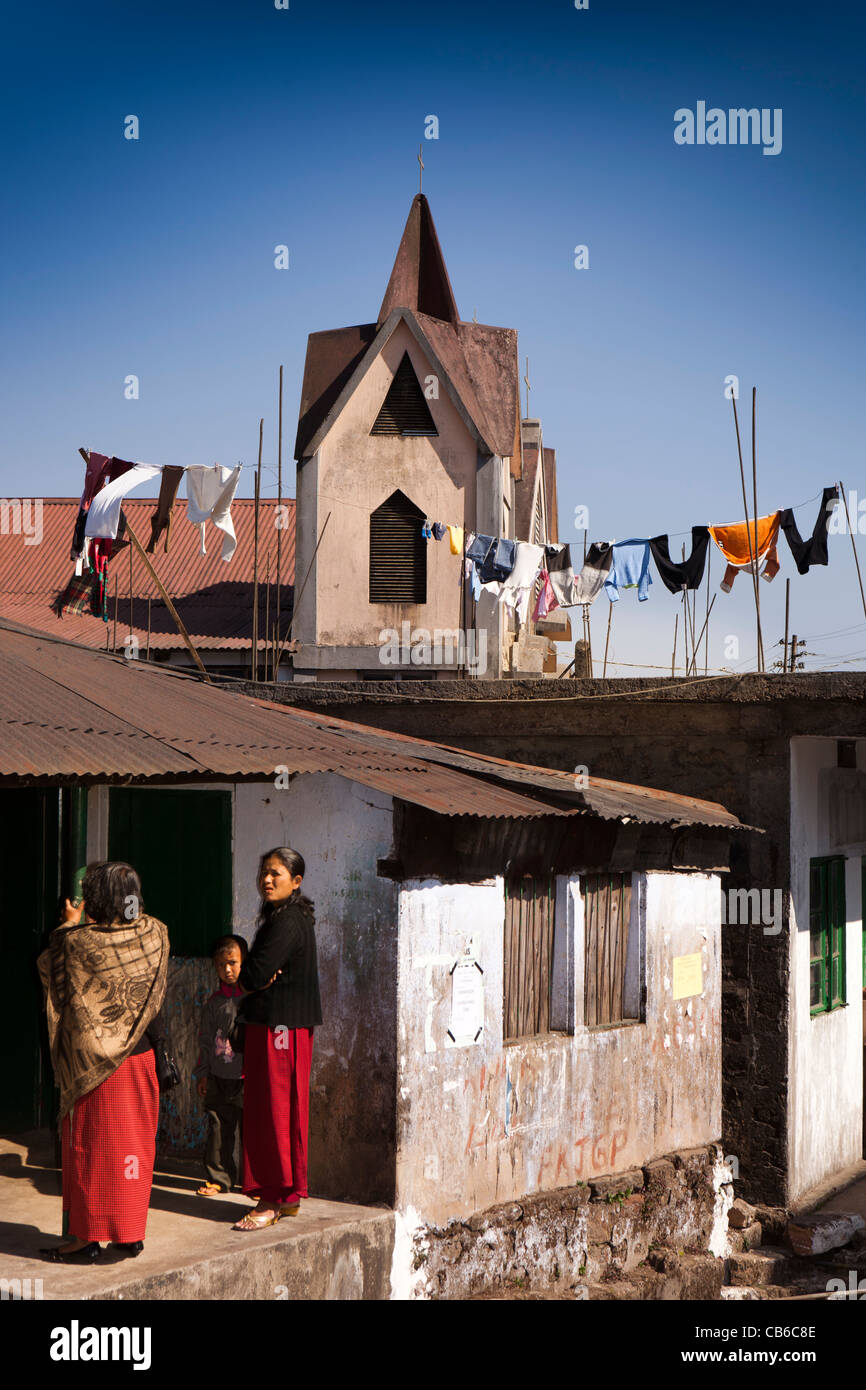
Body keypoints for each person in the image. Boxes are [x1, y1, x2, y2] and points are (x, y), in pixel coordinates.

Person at [37, 861, 169, 1263]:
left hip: (97, 1066)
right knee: (133, 1150)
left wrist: (69, 923)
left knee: (91, 1150)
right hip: (141, 1057)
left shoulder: (78, 942)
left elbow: (50, 970)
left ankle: (86, 1239)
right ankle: (130, 1234)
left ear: (96, 899)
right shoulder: (156, 934)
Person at [232, 847, 322, 1231]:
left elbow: (251, 976)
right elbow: (257, 975)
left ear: (296, 882)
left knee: (274, 1111)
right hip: (285, 1028)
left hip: (277, 1031)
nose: (266, 880)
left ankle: (272, 1198)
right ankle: (286, 1197)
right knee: (283, 1111)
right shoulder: (290, 917)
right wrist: (256, 974)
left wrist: (252, 974)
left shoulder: (285, 923)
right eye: (264, 872)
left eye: (276, 874)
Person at [195, 935, 247, 1197]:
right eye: (221, 965)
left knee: (251, 1132)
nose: (227, 970)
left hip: (246, 1078)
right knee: (218, 1128)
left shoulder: (252, 1000)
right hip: (218, 1077)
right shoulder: (214, 1003)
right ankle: (219, 1178)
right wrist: (203, 1074)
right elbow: (205, 1041)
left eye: (233, 963)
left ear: (244, 963)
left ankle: (254, 1182)